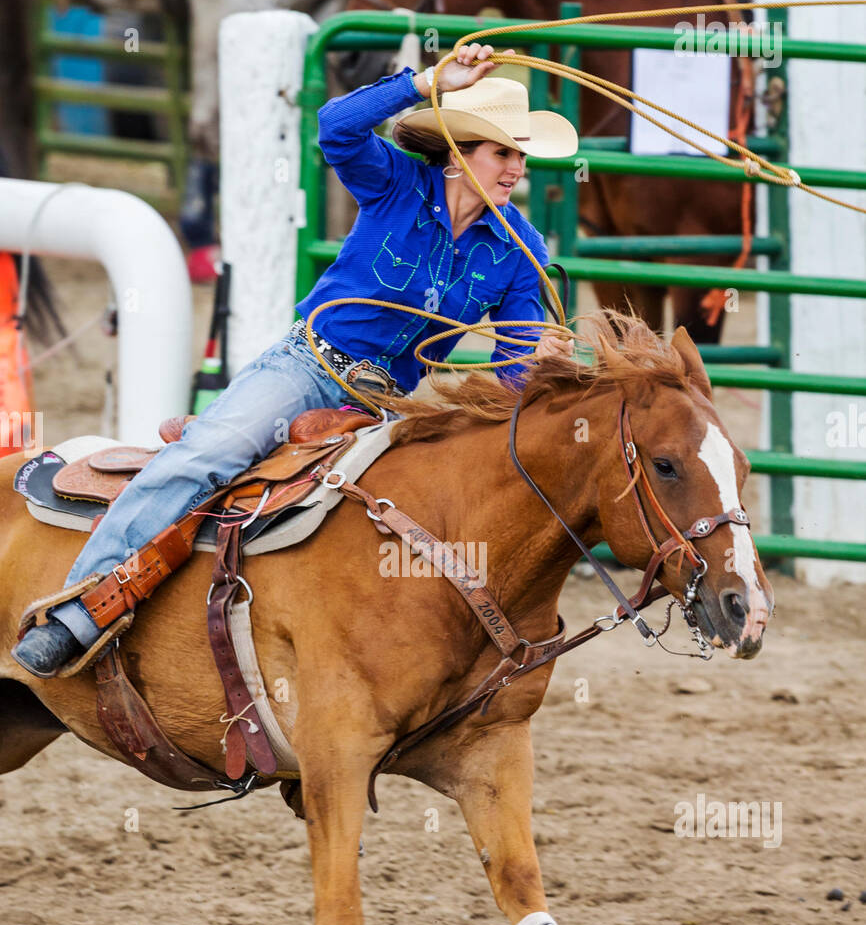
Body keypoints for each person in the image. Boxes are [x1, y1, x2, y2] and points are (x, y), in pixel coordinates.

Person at [13, 42, 578, 678]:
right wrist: (426, 82)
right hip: (309, 367)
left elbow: (511, 371)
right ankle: (76, 610)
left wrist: (540, 361)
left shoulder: (520, 247)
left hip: (386, 402)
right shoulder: (395, 182)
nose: (516, 170)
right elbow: (336, 125)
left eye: (521, 156)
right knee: (207, 455)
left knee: (415, 522)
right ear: (457, 152)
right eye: (503, 152)